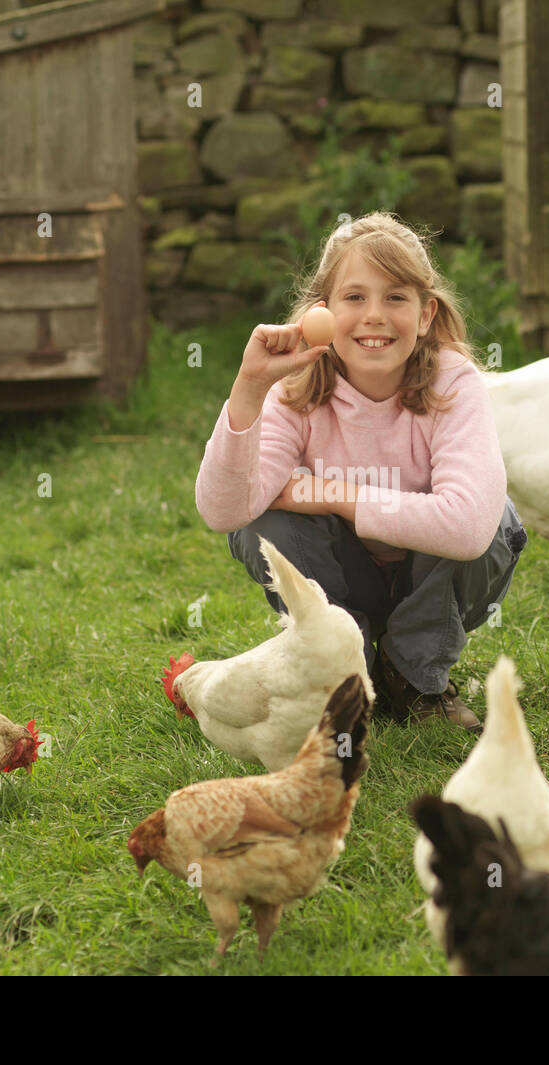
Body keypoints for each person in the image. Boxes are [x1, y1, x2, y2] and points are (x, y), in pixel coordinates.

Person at [194, 212, 526, 731]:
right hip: (344, 578)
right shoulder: (294, 387)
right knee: (263, 525)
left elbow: (467, 528)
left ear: (425, 314)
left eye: (395, 297)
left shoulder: (453, 381)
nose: (374, 315)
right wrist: (249, 388)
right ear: (320, 313)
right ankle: (349, 676)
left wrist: (330, 493)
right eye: (354, 298)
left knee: (496, 520)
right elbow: (224, 511)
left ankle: (413, 676)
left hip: (432, 582)